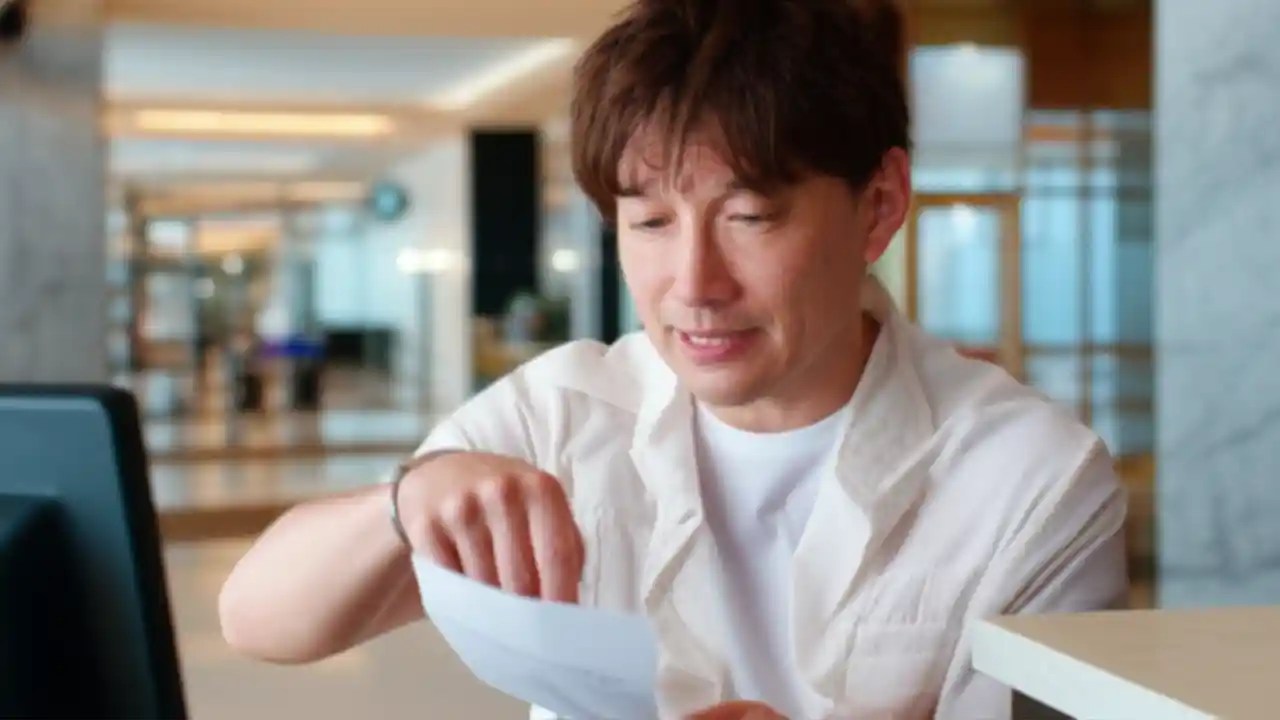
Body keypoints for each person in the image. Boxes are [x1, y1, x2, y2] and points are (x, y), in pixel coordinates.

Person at [218, 1, 1128, 718]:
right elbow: (259, 622)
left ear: (880, 204)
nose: (693, 284)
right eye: (649, 223)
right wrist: (402, 501)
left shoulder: (1030, 477)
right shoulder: (566, 411)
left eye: (749, 218)